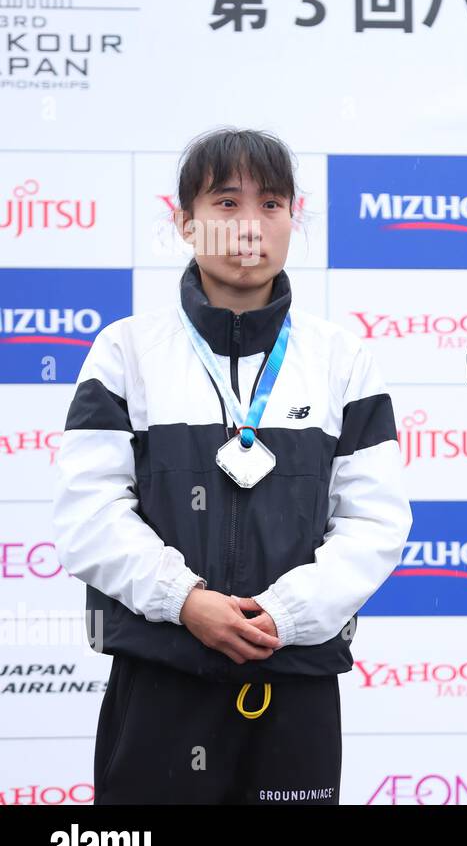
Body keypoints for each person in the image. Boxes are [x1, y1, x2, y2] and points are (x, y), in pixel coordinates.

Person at [52, 128, 412, 804]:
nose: (250, 226)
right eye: (226, 204)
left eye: (271, 205)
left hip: (295, 680)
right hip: (160, 677)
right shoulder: (125, 351)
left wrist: (285, 613)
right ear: (185, 223)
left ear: (291, 220)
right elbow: (88, 513)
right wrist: (184, 602)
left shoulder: (342, 360)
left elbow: (375, 523)